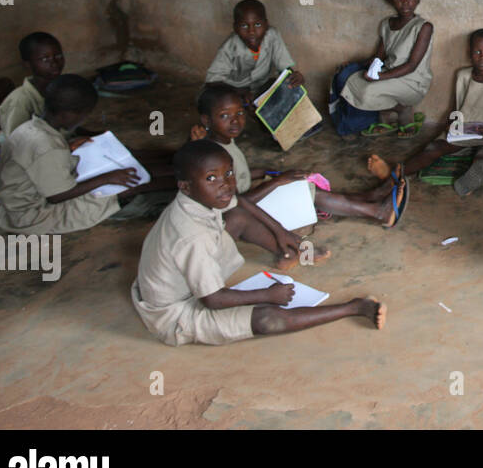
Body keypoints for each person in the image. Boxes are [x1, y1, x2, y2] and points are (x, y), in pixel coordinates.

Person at [131, 140, 385, 346]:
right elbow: (212, 300)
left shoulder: (196, 199)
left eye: (228, 173)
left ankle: (285, 250)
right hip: (176, 313)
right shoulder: (191, 237)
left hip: (178, 280)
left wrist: (281, 232)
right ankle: (354, 308)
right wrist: (267, 294)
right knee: (267, 319)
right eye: (211, 178)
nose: (225, 184)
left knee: (238, 216)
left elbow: (239, 201)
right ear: (185, 186)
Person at [193, 84, 407, 234]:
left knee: (299, 182)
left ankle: (369, 196)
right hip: (241, 216)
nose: (236, 121)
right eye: (224, 116)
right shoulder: (211, 157)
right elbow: (235, 204)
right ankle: (376, 212)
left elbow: (241, 174)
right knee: (302, 191)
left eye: (240, 113)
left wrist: (269, 172)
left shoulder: (224, 142)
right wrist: (277, 181)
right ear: (206, 120)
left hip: (248, 200)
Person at [0, 74, 143, 233]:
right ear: (70, 114)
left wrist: (66, 146)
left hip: (16, 206)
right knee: (126, 187)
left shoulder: (30, 128)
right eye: (84, 115)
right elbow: (57, 196)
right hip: (35, 215)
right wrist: (106, 178)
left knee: (123, 173)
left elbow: (39, 156)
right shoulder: (47, 146)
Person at [400, 28, 483, 196]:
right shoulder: (463, 76)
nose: (482, 56)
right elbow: (456, 109)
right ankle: (398, 172)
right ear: (470, 53)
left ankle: (471, 179)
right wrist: (450, 123)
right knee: (433, 148)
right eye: (477, 51)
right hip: (464, 129)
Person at [330, 0, 435, 138]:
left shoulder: (423, 27)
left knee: (367, 90)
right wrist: (355, 65)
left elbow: (411, 66)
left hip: (412, 81)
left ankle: (401, 109)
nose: (405, 1)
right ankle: (386, 116)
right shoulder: (387, 24)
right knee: (348, 77)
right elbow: (378, 57)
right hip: (389, 75)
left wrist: (379, 77)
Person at [204, 0, 305, 102]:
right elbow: (212, 82)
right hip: (233, 89)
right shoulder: (230, 47)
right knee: (217, 100)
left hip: (259, 87)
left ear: (266, 24)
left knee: (285, 92)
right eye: (244, 25)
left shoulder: (272, 36)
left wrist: (292, 78)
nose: (251, 31)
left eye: (257, 24)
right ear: (235, 28)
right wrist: (238, 91)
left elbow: (284, 68)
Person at [0, 32, 65, 136]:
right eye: (45, 59)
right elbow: (16, 142)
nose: (54, 63)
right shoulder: (19, 100)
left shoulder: (62, 89)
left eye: (58, 56)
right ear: (28, 64)